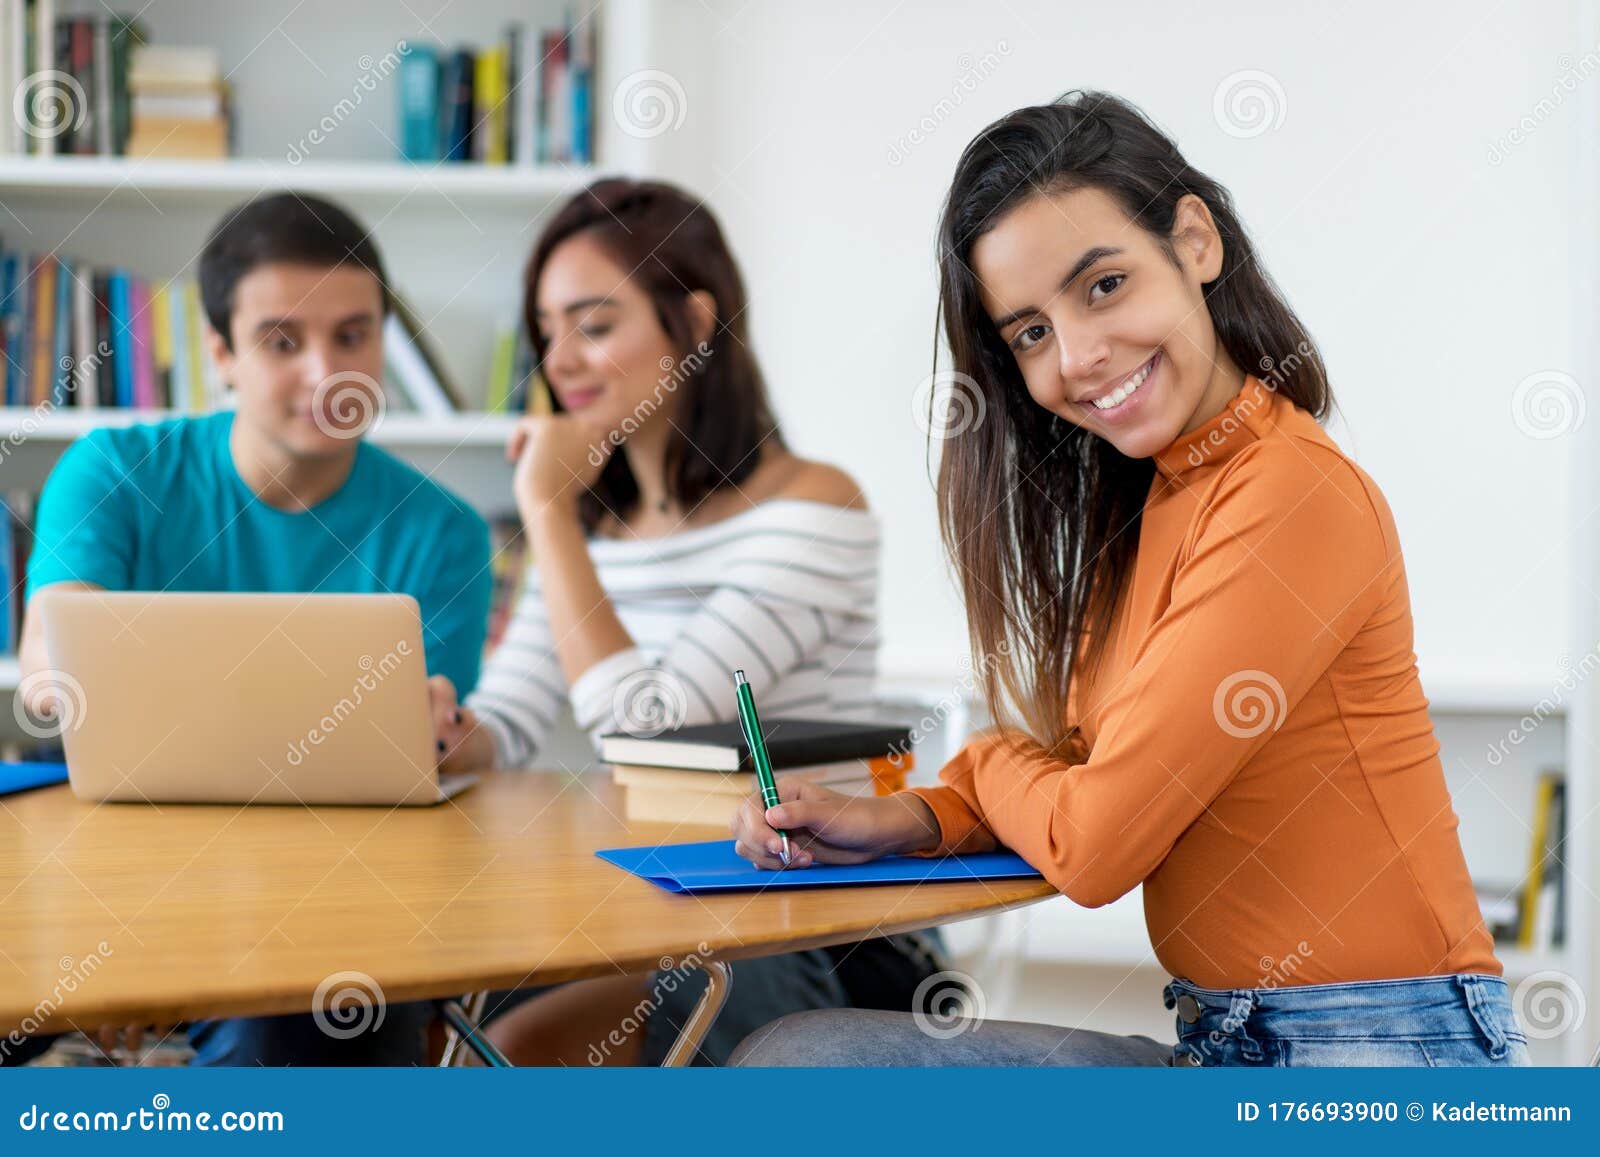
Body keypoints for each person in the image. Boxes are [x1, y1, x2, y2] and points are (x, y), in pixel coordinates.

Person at [728, 91, 1529, 1068]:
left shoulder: (1288, 494)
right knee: (800, 1052)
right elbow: (1076, 778)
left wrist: (980, 760)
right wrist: (902, 816)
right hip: (1234, 1042)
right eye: (1028, 332)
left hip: (1383, 1056)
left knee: (805, 1066)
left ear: (1192, 241)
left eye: (1102, 285)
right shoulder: (1155, 501)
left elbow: (1096, 839)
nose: (1077, 357)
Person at [428, 177, 946, 1066]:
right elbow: (506, 722)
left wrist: (546, 513)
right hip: (639, 897)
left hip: (802, 918)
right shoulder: (590, 528)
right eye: (548, 333)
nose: (560, 362)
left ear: (695, 326)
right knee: (428, 986)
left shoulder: (815, 505)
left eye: (593, 325)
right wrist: (441, 731)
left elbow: (647, 729)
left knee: (515, 1045)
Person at [16, 191, 492, 1066]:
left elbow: (421, 758)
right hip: (109, 878)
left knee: (316, 1021)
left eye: (353, 335)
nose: (327, 371)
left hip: (326, 903)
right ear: (221, 354)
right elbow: (54, 668)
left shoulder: (446, 532)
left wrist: (445, 733)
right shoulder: (115, 471)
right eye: (283, 341)